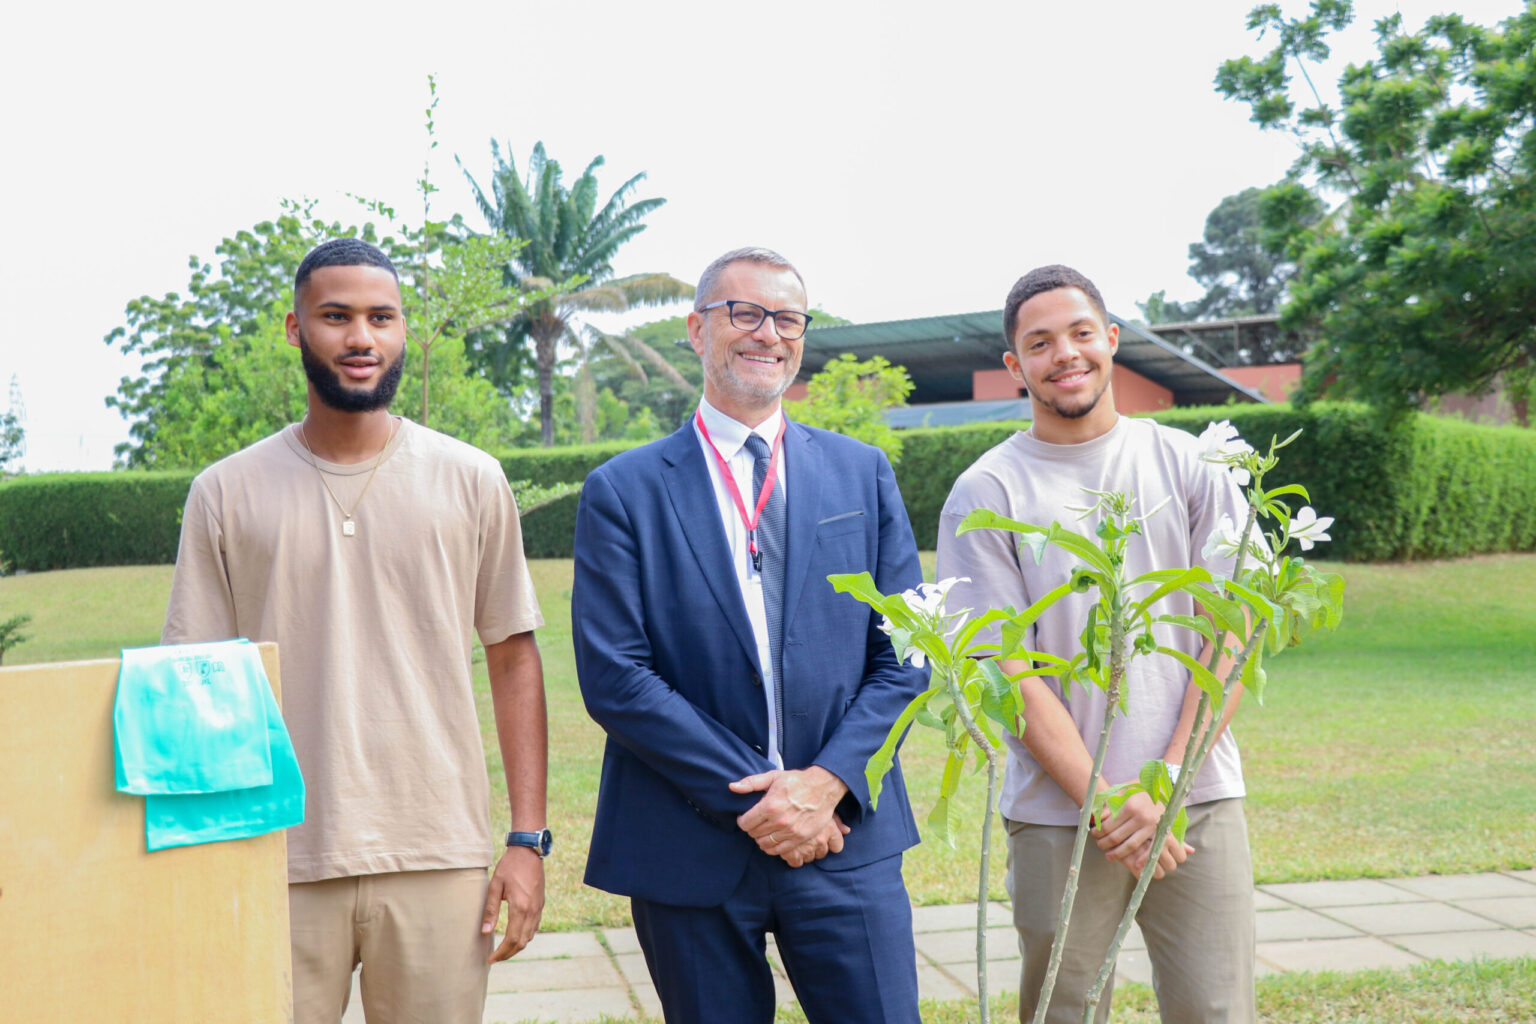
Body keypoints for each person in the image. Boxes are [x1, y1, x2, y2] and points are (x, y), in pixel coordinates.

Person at [162, 237, 550, 1024]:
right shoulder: (225, 492)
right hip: (275, 854)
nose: (361, 338)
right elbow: (195, 684)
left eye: (382, 317)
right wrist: (197, 862)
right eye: (335, 316)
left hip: (435, 850)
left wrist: (527, 841)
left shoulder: (470, 477)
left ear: (404, 329)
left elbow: (513, 656)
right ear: (294, 328)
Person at [571, 247, 926, 1024]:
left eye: (788, 318)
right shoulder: (623, 491)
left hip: (844, 838)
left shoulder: (861, 473)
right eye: (746, 313)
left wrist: (823, 784)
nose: (769, 333)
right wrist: (768, 798)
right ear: (698, 330)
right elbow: (616, 677)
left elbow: (907, 653)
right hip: (689, 844)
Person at [936, 265, 1255, 1024]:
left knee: (1218, 1011)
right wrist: (1108, 804)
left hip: (1197, 803)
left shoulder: (1190, 463)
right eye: (1039, 343)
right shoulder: (988, 492)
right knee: (1062, 1013)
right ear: (1016, 367)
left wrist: (1166, 784)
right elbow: (1007, 674)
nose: (1065, 354)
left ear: (1111, 341)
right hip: (1058, 816)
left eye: (1081, 333)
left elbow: (1234, 630)